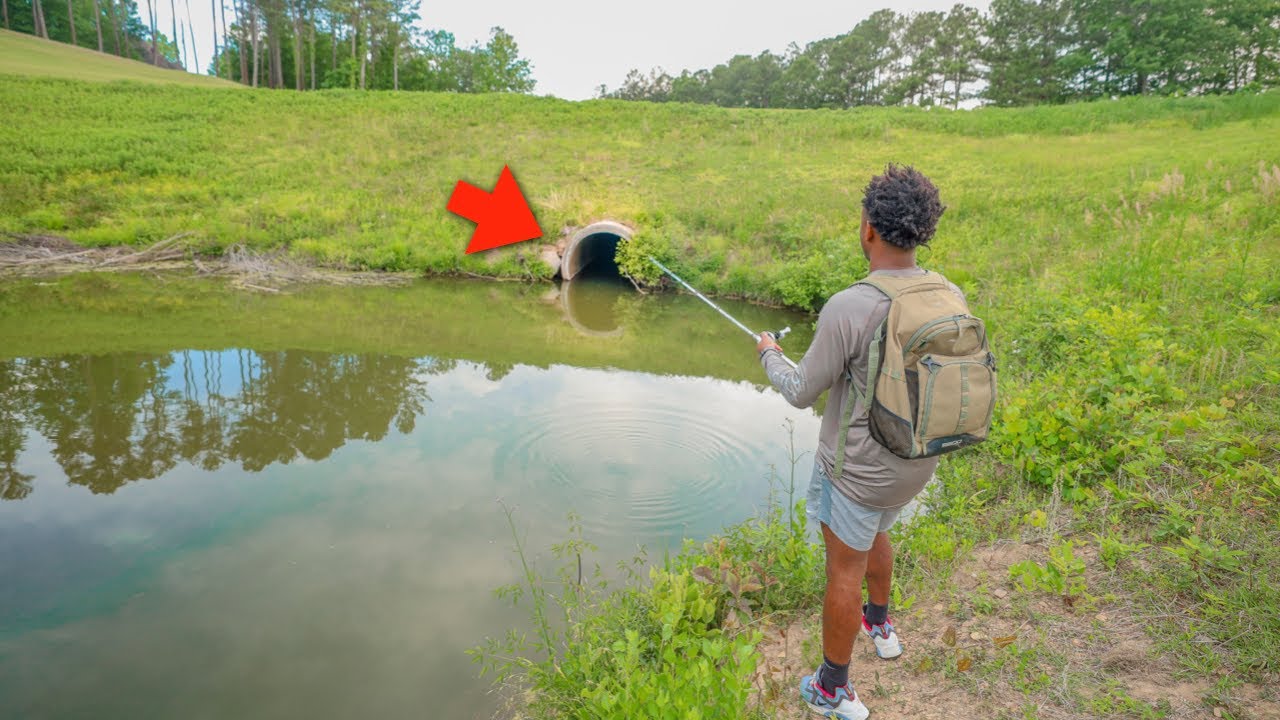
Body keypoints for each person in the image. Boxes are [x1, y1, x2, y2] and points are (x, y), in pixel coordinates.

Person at [756, 164, 959, 720]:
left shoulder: (851, 305)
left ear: (869, 228)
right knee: (875, 535)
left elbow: (800, 391)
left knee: (842, 570)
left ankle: (833, 688)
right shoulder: (946, 291)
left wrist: (769, 352)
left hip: (858, 472)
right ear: (922, 231)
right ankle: (880, 622)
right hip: (918, 462)